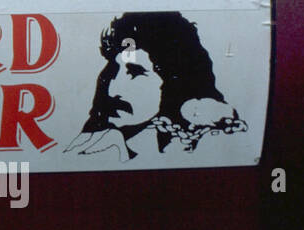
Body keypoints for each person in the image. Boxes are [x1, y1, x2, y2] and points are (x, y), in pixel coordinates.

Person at [65, 12, 247, 161]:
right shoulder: (97, 140)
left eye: (135, 73)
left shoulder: (202, 139)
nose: (113, 90)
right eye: (113, 70)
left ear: (172, 80)